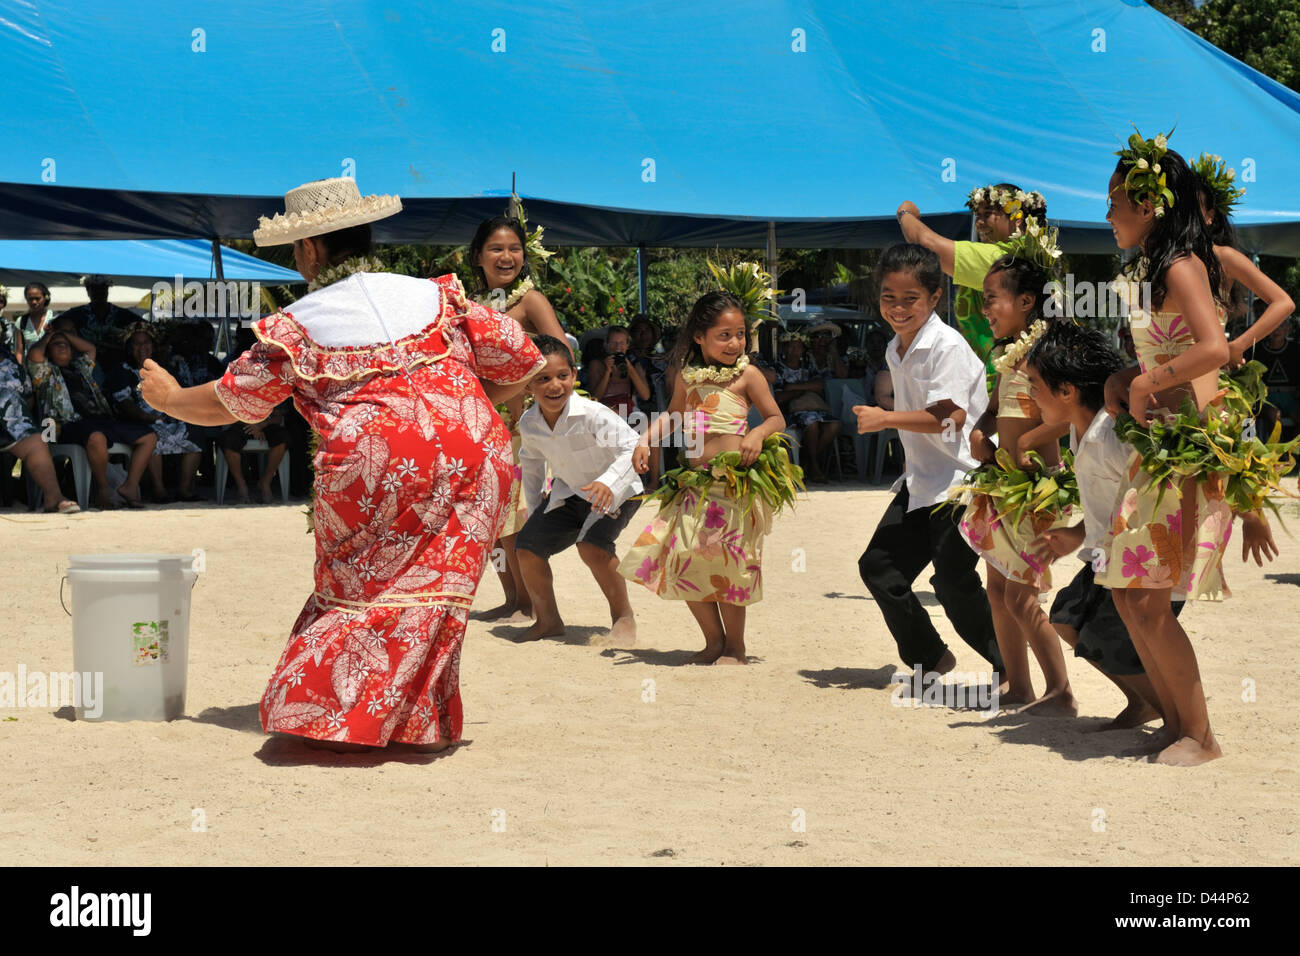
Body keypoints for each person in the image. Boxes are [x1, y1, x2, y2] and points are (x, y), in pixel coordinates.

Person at [140, 177, 544, 753]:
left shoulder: (300, 322)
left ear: (308, 249)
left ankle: (340, 721)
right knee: (435, 592)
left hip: (377, 463)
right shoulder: (438, 296)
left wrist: (170, 398)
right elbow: (523, 359)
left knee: (361, 587)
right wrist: (467, 414)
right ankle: (414, 723)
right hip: (477, 457)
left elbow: (234, 400)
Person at [1096, 132, 1235, 766]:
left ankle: (1200, 736)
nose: (1108, 214)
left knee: (1148, 599)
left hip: (1185, 452)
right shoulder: (1153, 268)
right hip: (1155, 450)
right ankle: (1176, 723)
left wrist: (1146, 381)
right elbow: (1164, 353)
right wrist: (1124, 378)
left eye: (1115, 201)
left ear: (1149, 204)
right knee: (1130, 596)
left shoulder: (1181, 265)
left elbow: (1213, 349)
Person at [852, 244, 1003, 676]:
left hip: (962, 482)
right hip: (923, 481)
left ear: (935, 298)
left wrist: (885, 418)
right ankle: (931, 658)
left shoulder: (946, 346)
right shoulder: (895, 348)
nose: (898, 308)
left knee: (954, 583)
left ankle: (1010, 667)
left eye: (909, 299)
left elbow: (950, 419)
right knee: (880, 569)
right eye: (888, 297)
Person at [619, 291, 791, 665]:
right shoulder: (687, 376)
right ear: (699, 336)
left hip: (733, 485)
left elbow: (776, 417)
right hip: (696, 484)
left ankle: (736, 647)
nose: (735, 343)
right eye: (724, 335)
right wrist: (645, 440)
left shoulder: (748, 376)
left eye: (740, 334)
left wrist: (757, 434)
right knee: (684, 557)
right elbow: (674, 416)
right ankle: (713, 641)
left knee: (728, 563)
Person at [1023, 322, 1178, 730]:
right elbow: (1110, 504)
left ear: (1067, 391)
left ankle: (1176, 714)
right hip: (1108, 556)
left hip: (1145, 562)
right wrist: (1076, 534)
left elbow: (1156, 493)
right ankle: (1146, 701)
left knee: (1112, 636)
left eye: (1035, 385)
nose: (1030, 396)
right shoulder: (1082, 432)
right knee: (1066, 617)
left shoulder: (1114, 434)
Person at [955, 232, 1075, 712]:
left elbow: (1070, 416)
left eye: (991, 300)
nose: (986, 309)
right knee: (998, 588)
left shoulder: (1048, 353)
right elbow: (992, 409)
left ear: (1026, 301)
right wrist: (982, 430)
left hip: (1036, 487)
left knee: (1023, 595)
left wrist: (1024, 441)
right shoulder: (1009, 352)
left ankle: (1061, 692)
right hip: (1003, 484)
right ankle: (1020, 686)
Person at [469, 214, 567, 624]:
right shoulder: (470, 304)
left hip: (522, 426)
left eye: (514, 249)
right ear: (478, 256)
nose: (506, 256)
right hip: (483, 423)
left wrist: (519, 383)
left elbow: (560, 353)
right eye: (496, 248)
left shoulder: (531, 301)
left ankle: (530, 602)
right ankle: (512, 598)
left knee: (520, 517)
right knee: (493, 521)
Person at [514, 336, 643, 645]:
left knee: (592, 546)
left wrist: (608, 482)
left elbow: (632, 448)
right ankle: (548, 621)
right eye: (542, 379)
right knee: (527, 548)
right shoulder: (529, 423)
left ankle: (623, 617)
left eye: (562, 376)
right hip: (570, 493)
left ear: (574, 375)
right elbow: (531, 468)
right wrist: (534, 515)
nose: (554, 385)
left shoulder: (593, 414)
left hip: (619, 489)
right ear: (528, 386)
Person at [898, 184, 1048, 387]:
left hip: (1005, 386)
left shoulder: (1001, 261)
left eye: (988, 214)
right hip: (998, 385)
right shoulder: (1018, 257)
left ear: (1016, 220)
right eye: (978, 216)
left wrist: (905, 212)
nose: (979, 223)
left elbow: (925, 244)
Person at [27, 325, 156, 508]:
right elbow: (34, 353)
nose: (63, 346)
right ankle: (102, 490)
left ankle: (129, 486)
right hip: (68, 424)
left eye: (66, 345)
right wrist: (50, 336)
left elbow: (90, 349)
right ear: (49, 350)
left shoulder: (81, 368)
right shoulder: (45, 373)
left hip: (102, 419)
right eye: (57, 345)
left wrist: (63, 334)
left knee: (149, 437)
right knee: (96, 437)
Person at [1191, 153, 1296, 370]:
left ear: (1210, 216)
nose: (1185, 215)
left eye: (1194, 208)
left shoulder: (1223, 258)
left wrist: (1238, 345)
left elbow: (1283, 303)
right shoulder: (1164, 259)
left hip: (1209, 375)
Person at [107, 323, 203, 502]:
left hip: (168, 416)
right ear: (129, 348)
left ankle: (185, 489)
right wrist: (147, 417)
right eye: (137, 344)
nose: (142, 347)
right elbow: (126, 405)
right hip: (138, 420)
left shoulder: (164, 369)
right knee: (153, 434)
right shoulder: (121, 372)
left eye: (146, 343)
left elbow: (180, 394)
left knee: (195, 430)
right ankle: (159, 490)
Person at [0, 327, 79, 513]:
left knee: (37, 442)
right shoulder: (34, 364)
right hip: (30, 420)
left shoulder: (9, 360)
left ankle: (54, 497)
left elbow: (27, 395)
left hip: (14, 422)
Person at [773, 331, 839, 482]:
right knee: (812, 422)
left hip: (813, 408)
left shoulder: (807, 367)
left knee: (834, 425)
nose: (793, 351)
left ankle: (806, 461)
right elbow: (779, 396)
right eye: (789, 347)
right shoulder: (778, 369)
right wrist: (803, 390)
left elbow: (819, 384)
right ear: (783, 349)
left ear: (802, 350)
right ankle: (814, 466)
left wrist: (793, 388)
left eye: (797, 347)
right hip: (791, 412)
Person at [591, 324, 651, 417]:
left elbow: (645, 396)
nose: (618, 347)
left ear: (627, 345)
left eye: (622, 343)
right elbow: (595, 398)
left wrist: (630, 369)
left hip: (627, 410)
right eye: (614, 342)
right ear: (606, 344)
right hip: (604, 411)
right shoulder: (597, 364)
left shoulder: (635, 365)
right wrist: (607, 372)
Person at [15, 282, 56, 360]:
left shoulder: (54, 318)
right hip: (30, 369)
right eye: (30, 299)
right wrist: (20, 369)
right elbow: (19, 351)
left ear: (45, 298)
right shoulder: (21, 322)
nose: (34, 302)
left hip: (53, 369)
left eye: (37, 298)